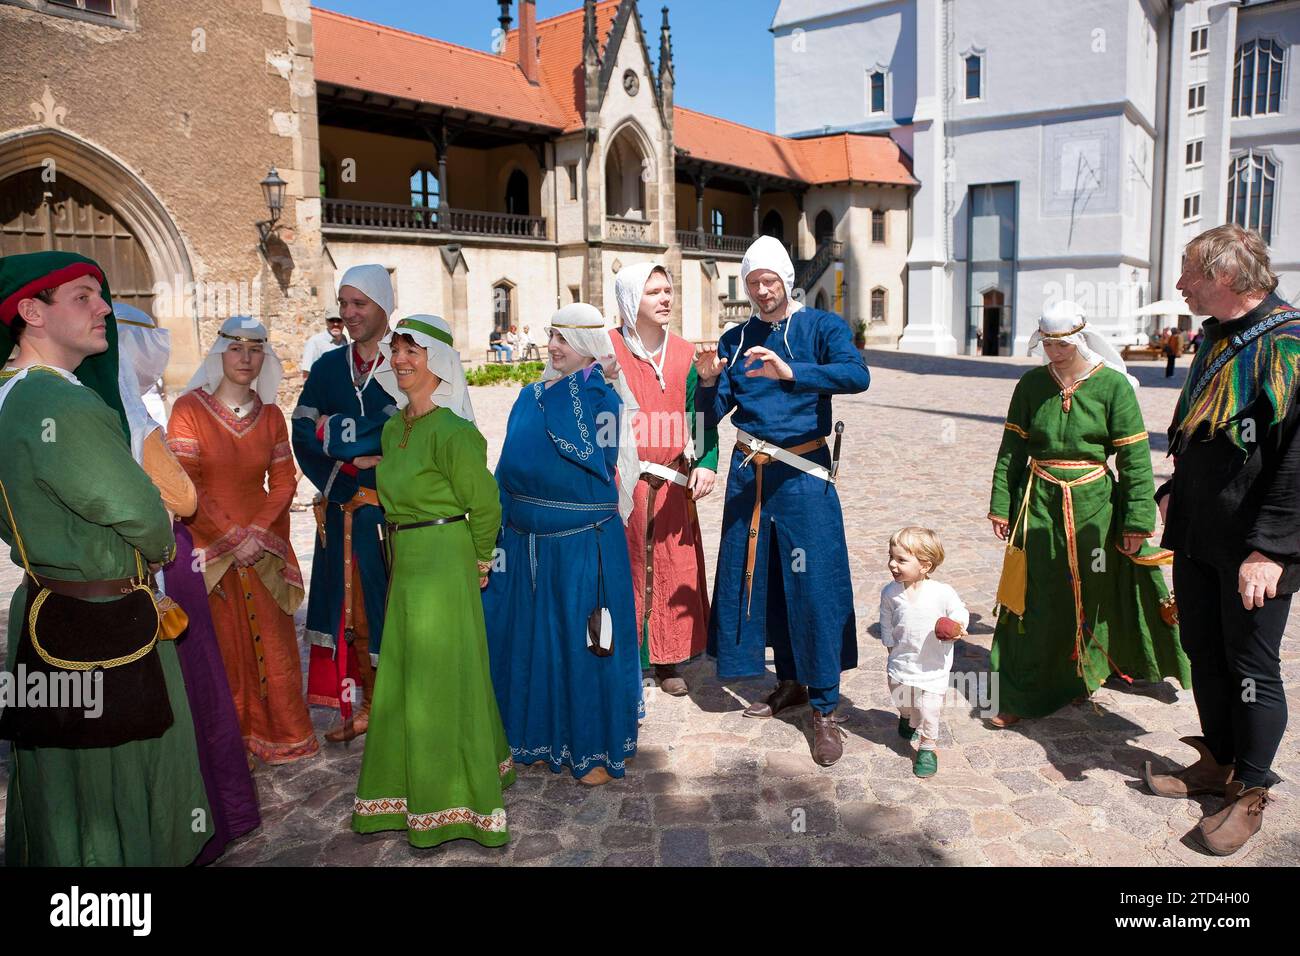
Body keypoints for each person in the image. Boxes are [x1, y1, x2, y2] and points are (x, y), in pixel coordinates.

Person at [0, 251, 210, 865]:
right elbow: (144, 515)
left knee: (61, 778)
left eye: (102, 295)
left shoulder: (9, 396)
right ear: (31, 312)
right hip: (105, 624)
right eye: (83, 298)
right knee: (115, 780)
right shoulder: (60, 405)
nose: (102, 310)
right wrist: (159, 544)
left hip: (43, 609)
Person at [1144, 225, 1300, 856]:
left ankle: (1252, 789)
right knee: (1202, 649)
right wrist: (1175, 487)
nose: (1179, 284)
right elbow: (1200, 430)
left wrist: (1272, 550)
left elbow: (1295, 460)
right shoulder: (1221, 337)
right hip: (1201, 531)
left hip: (1255, 547)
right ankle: (1219, 760)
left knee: (1251, 666)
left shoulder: (1289, 345)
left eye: (1189, 272)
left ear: (1227, 277)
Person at [695, 235, 870, 767]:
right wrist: (706, 384)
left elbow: (856, 375)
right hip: (750, 475)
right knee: (763, 578)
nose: (763, 291)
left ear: (786, 280)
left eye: (770, 281)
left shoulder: (821, 327)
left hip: (803, 475)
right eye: (753, 283)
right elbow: (715, 409)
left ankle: (824, 707)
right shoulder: (737, 337)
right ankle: (789, 683)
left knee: (814, 584)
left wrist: (794, 373)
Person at [988, 301, 1191, 727]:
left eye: (1061, 343)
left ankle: (1088, 668)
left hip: (1095, 505)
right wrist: (1001, 505)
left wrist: (1137, 520)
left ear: (1080, 337)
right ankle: (1023, 691)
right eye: (1046, 342)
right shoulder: (1029, 385)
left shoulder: (1113, 387)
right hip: (1037, 503)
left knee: (1094, 591)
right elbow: (1012, 452)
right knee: (1031, 594)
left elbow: (1135, 458)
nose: (1053, 350)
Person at [351, 315, 514, 848]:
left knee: (445, 673)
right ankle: (402, 791)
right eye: (395, 351)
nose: (399, 361)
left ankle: (457, 798)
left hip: (446, 561)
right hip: (406, 561)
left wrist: (480, 561)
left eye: (410, 352)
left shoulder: (455, 432)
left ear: (437, 362)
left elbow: (485, 505)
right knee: (407, 674)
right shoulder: (393, 427)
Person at [114, 303, 260, 864]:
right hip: (165, 558)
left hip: (144, 563)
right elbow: (182, 496)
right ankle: (204, 811)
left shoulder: (125, 399)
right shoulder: (145, 411)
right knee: (188, 682)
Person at [483, 303, 642, 786]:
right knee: (532, 642)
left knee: (586, 645)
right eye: (551, 334)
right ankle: (535, 740)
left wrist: (593, 381)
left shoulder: (603, 401)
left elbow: (598, 456)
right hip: (525, 540)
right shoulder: (526, 395)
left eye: (564, 339)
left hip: (581, 546)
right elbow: (507, 466)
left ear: (590, 348)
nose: (552, 346)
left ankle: (592, 750)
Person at [168, 316, 317, 765]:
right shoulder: (188, 410)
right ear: (220, 354)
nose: (246, 359)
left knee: (274, 643)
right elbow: (185, 482)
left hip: (263, 546)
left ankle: (280, 733)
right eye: (236, 349)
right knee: (224, 645)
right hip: (208, 548)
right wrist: (231, 536)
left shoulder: (270, 416)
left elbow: (285, 481)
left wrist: (256, 534)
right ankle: (230, 743)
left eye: (256, 350)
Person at [293, 264, 398, 742]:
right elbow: (302, 431)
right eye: (343, 304)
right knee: (347, 608)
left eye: (360, 304)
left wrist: (335, 433)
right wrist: (356, 454)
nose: (349, 313)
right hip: (340, 507)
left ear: (383, 306)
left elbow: (403, 429)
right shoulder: (327, 368)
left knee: (392, 606)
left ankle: (399, 704)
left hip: (394, 512)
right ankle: (362, 705)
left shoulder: (406, 360)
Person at [610, 262, 718, 696]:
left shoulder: (687, 354)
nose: (665, 299)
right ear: (631, 298)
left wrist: (706, 459)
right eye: (654, 292)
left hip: (672, 482)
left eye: (668, 291)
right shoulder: (608, 351)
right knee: (628, 566)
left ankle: (668, 659)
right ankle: (628, 656)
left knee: (675, 566)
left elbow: (701, 415)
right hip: (624, 485)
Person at [879, 527, 969, 778]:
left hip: (933, 665)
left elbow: (959, 611)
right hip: (901, 662)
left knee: (929, 709)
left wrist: (958, 626)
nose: (892, 564)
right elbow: (886, 621)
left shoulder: (942, 592)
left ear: (925, 566)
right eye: (891, 557)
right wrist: (888, 644)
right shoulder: (890, 593)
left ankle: (927, 747)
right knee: (902, 699)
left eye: (901, 560)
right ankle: (907, 717)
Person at [300, 315, 347, 379]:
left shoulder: (345, 341)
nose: (335, 324)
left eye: (339, 320)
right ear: (326, 321)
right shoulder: (315, 342)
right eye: (331, 320)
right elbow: (306, 376)